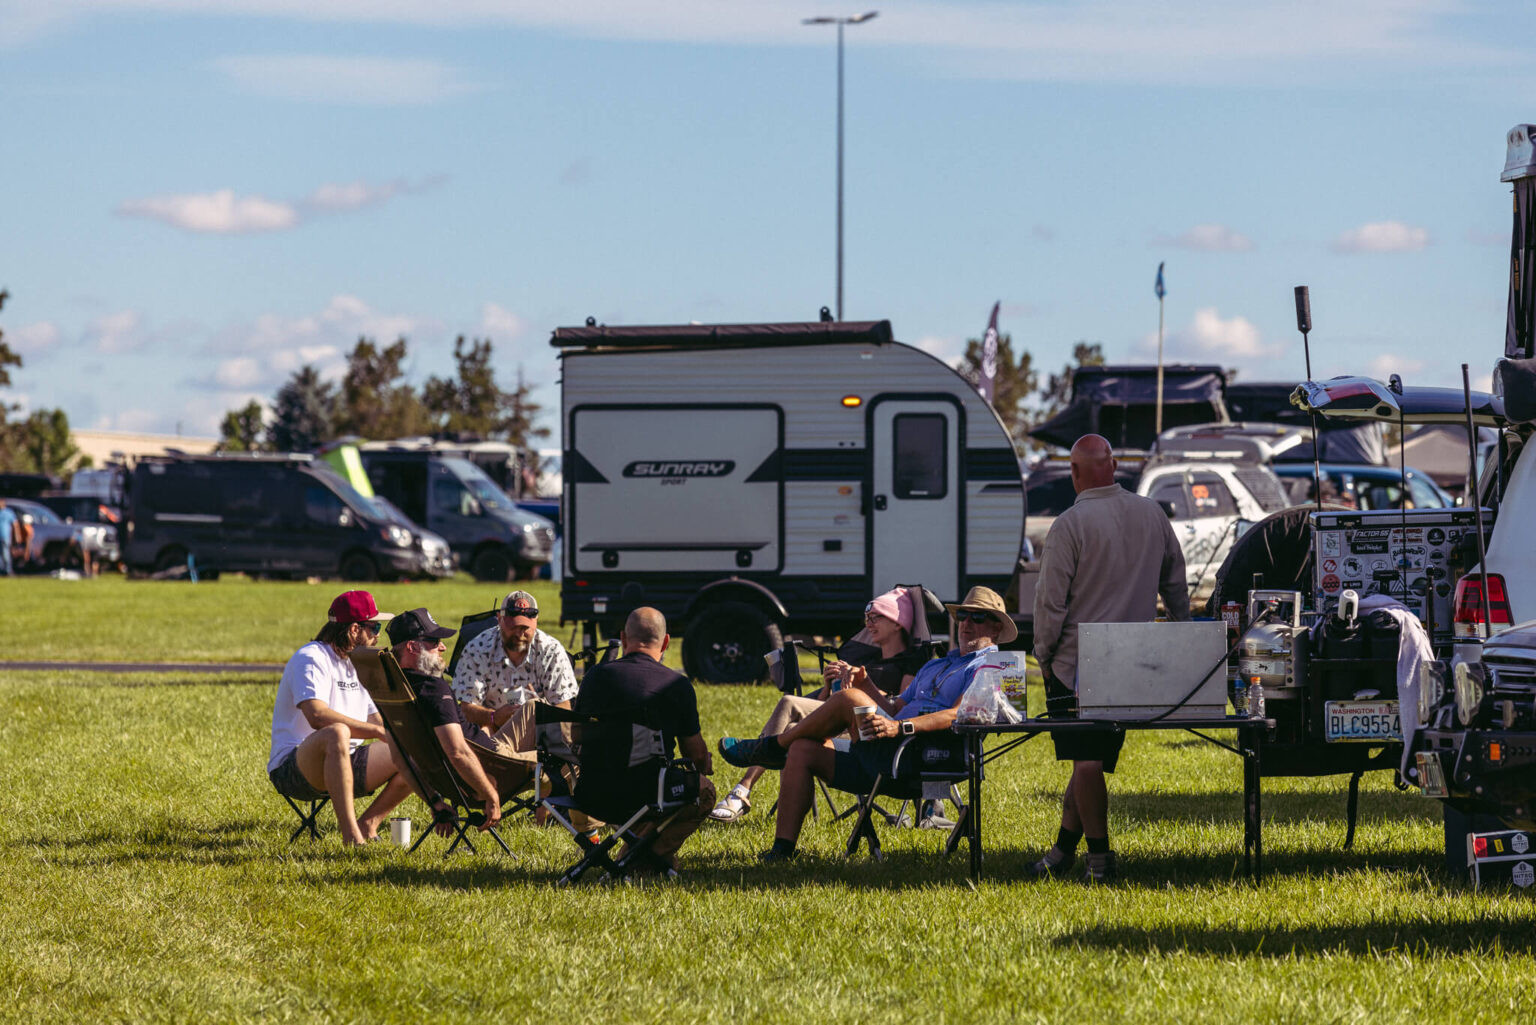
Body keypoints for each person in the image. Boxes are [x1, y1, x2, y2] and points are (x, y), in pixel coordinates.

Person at [719, 585, 1014, 863]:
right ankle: (782, 851)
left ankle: (770, 747)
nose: (966, 623)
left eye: (978, 617)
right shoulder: (936, 664)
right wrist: (868, 685)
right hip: (886, 753)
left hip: (924, 755)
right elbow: (895, 707)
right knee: (802, 749)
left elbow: (956, 714)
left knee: (848, 699)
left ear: (997, 628)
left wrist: (900, 727)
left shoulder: (992, 667)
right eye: (963, 615)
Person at [1030, 433, 1191, 884]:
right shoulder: (1152, 514)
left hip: (1076, 664)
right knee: (1091, 761)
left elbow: (1050, 604)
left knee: (1086, 762)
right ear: (1115, 464)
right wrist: (1186, 636)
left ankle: (1100, 860)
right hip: (1134, 662)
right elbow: (1176, 585)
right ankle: (1061, 852)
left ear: (1074, 473)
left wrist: (1043, 654)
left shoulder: (1069, 524)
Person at [709, 586, 925, 823]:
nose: (869, 624)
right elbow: (825, 707)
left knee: (789, 702)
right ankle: (777, 812)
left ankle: (743, 787)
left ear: (897, 623)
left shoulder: (911, 661)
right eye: (867, 618)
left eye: (876, 618)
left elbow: (901, 707)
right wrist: (827, 686)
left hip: (870, 729)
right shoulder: (864, 658)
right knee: (791, 728)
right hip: (836, 719)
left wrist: (863, 683)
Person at [572, 607, 715, 877]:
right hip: (649, 794)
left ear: (624, 638)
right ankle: (640, 860)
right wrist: (703, 763)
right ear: (666, 643)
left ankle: (631, 854)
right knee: (704, 791)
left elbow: (577, 735)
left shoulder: (595, 677)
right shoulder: (676, 685)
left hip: (592, 794)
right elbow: (695, 755)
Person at [267, 590, 413, 846]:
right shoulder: (311, 658)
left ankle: (368, 825)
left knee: (413, 749)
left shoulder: (359, 663)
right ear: (354, 630)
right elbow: (317, 716)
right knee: (337, 732)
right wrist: (377, 733)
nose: (378, 634)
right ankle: (351, 838)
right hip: (294, 768)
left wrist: (402, 729)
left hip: (347, 760)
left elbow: (377, 720)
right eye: (374, 626)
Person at [384, 607, 542, 839]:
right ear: (412, 647)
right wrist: (490, 795)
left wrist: (435, 802)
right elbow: (458, 752)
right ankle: (578, 827)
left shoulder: (394, 692)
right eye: (434, 641)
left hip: (472, 765)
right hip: (496, 766)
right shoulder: (433, 689)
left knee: (534, 708)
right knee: (566, 758)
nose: (443, 647)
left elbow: (400, 758)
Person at [452, 590, 578, 730]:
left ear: (536, 622)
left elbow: (564, 707)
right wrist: (494, 717)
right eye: (513, 627)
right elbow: (466, 708)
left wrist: (540, 712)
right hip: (492, 730)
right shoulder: (477, 649)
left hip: (540, 732)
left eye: (525, 628)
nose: (519, 634)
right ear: (499, 619)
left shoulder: (551, 651)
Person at [0, 498, 17, 576]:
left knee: (5, 553)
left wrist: (17, 535)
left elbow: (15, 525)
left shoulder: (8, 512)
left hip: (5, 536)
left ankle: (8, 570)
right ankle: (2, 570)